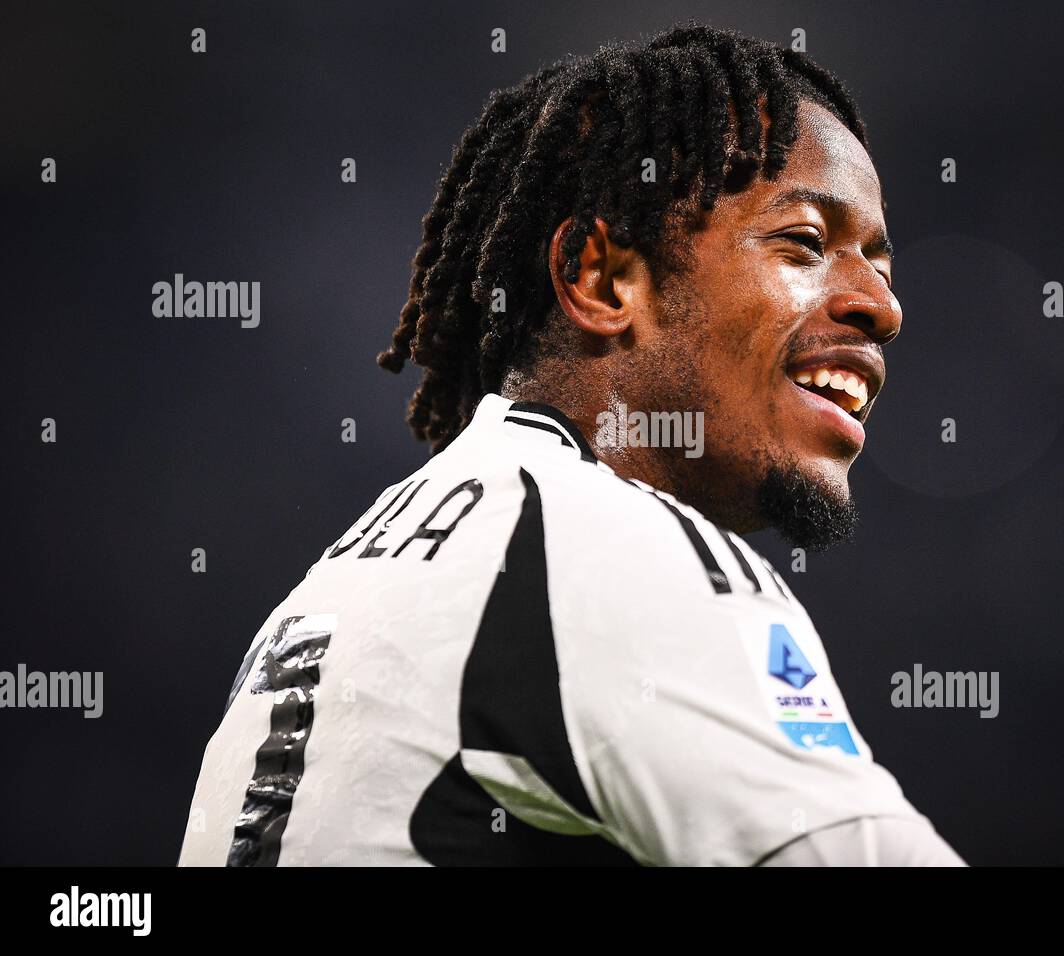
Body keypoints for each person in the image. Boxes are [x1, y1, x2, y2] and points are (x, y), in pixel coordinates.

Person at [179, 22, 965, 867]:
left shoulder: (338, 581)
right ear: (602, 279)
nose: (881, 308)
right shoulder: (616, 559)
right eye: (805, 243)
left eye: (879, 268)